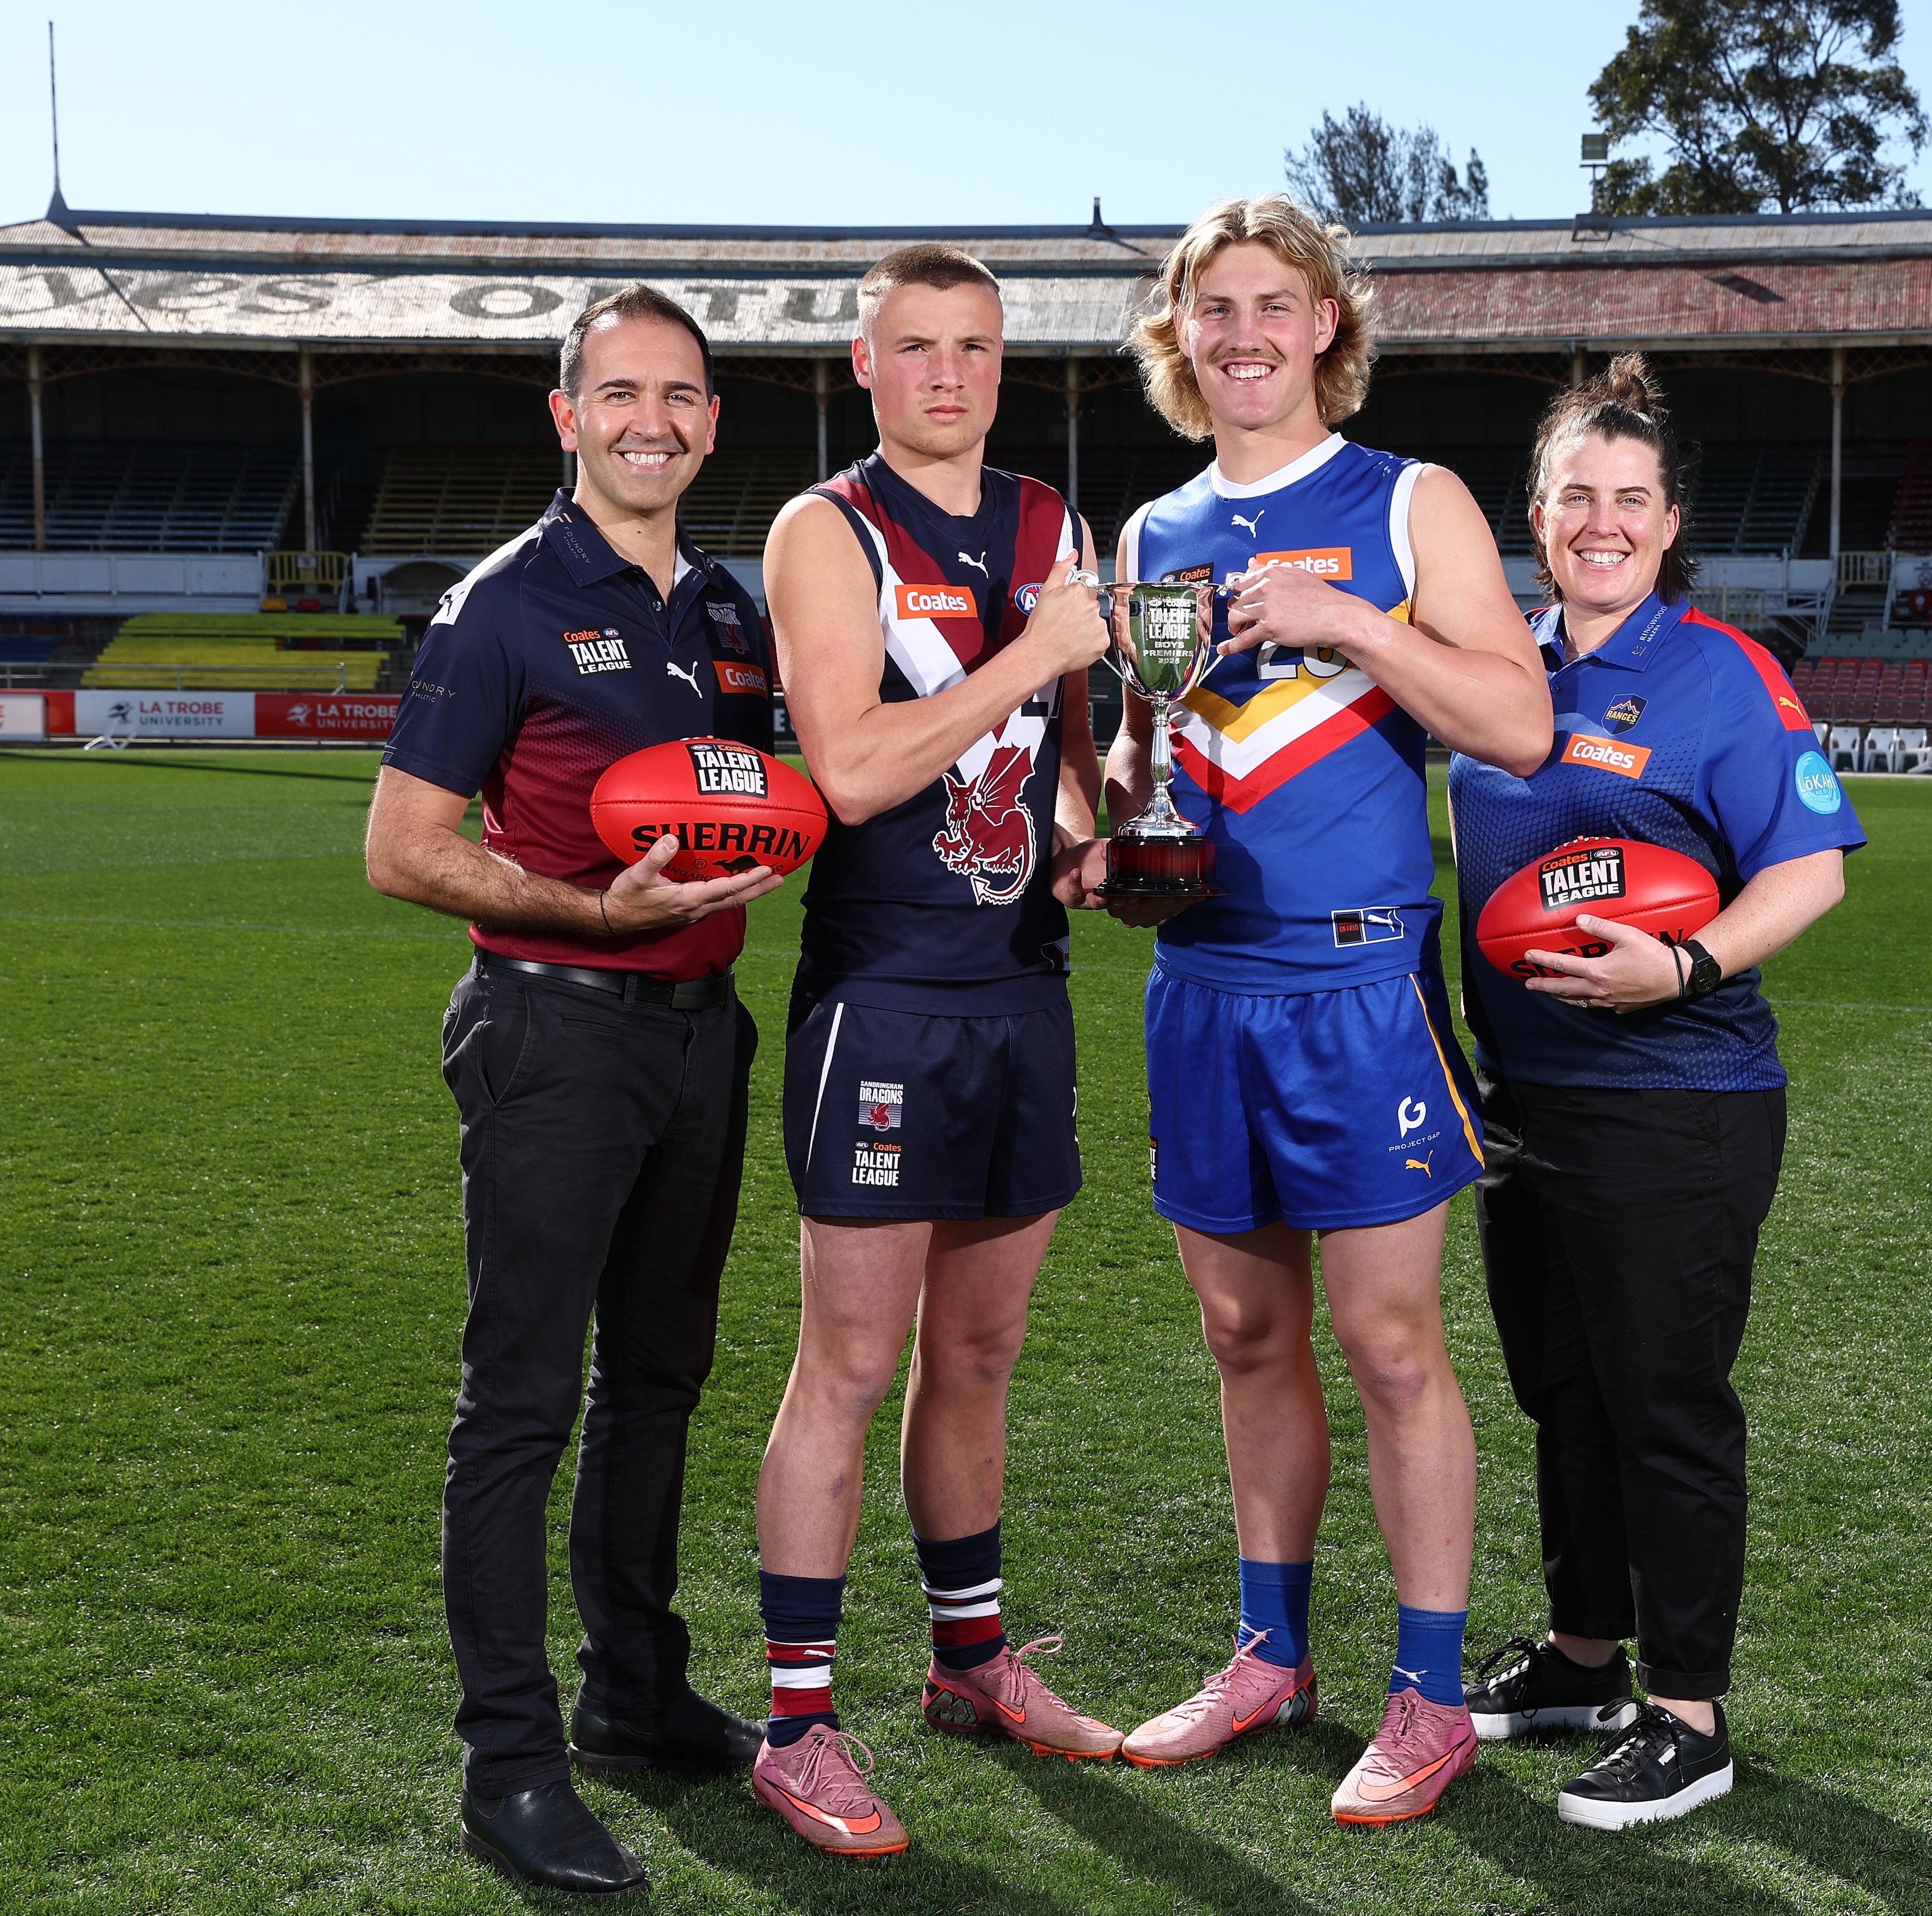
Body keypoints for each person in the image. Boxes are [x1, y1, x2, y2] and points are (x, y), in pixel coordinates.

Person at [1101, 195, 1553, 1826]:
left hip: (1359, 984)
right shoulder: (1150, 533)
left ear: (1326, 325)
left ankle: (1428, 1695)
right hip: (1200, 980)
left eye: (1273, 304)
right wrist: (1115, 824)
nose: (1244, 335)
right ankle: (1270, 1654)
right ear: (1180, 334)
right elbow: (1144, 746)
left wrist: (1352, 620)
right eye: (1213, 307)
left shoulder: (1409, 499)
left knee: (1390, 1341)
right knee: (1244, 1333)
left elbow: (1518, 719)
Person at [364, 286, 782, 1894]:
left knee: (659, 1375)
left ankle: (633, 1693)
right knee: (522, 1398)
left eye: (679, 395)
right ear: (568, 415)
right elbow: (404, 847)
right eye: (619, 393)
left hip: (702, 1034)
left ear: (711, 424)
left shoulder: (731, 610)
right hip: (554, 1028)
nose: (649, 421)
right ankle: (509, 1767)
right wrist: (589, 911)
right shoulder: (505, 602)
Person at [747, 243, 1144, 1859]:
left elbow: (1065, 754)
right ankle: (797, 1723)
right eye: (915, 346)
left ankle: (971, 1660)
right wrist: (1034, 656)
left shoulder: (1057, 524)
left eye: (974, 347)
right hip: (886, 996)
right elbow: (849, 769)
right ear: (866, 362)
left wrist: (1100, 824)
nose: (947, 375)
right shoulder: (823, 528)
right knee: (846, 1364)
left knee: (979, 1354)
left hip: (1021, 990)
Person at [1447, 356, 1861, 1831]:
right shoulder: (1493, 665)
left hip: (1680, 1093)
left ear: (1672, 521)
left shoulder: (1720, 671)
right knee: (1562, 1389)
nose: (1603, 522)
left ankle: (1688, 1713)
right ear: (1536, 515)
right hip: (1524, 1099)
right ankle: (1582, 1655)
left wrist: (1682, 965)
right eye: (1577, 496)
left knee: (1664, 1401)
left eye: (1631, 498)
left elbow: (1808, 869)